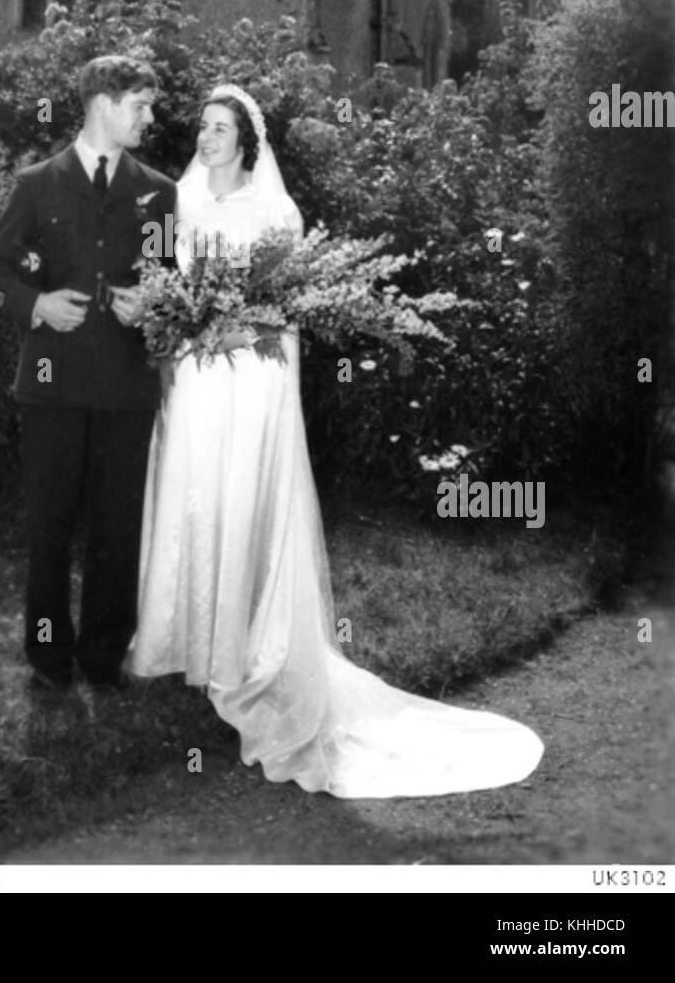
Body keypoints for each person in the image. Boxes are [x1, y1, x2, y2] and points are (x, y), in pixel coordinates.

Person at [128, 84, 544, 797]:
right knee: (195, 498)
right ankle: (181, 636)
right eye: (202, 127)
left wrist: (241, 329)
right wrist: (174, 325)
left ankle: (242, 643)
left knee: (243, 500)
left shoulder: (275, 211)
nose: (207, 138)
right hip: (197, 378)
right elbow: (167, 281)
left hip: (252, 379)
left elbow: (288, 308)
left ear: (247, 141)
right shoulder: (181, 204)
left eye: (221, 128)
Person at [0, 54, 176, 692]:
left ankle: (102, 656)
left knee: (118, 529)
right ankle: (49, 659)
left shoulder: (157, 192)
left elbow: (163, 280)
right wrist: (36, 304)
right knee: (50, 527)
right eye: (140, 104)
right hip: (51, 387)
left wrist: (151, 302)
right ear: (103, 104)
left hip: (126, 387)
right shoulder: (37, 183)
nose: (149, 116)